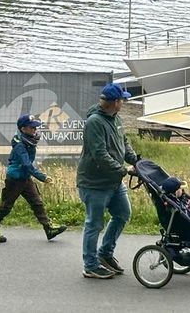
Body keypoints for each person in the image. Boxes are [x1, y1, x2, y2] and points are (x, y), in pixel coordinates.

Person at [76, 82, 139, 279]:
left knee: (122, 214)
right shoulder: (94, 122)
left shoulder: (115, 118)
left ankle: (105, 253)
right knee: (94, 224)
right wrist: (123, 169)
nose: (124, 103)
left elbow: (124, 142)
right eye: (123, 100)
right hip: (94, 183)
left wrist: (136, 161)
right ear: (115, 102)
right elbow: (100, 155)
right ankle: (90, 264)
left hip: (113, 181)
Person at [0, 114, 68, 244]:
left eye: (35, 127)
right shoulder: (20, 145)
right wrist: (43, 177)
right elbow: (26, 164)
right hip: (15, 179)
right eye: (32, 127)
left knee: (37, 202)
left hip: (25, 177)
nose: (35, 130)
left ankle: (49, 229)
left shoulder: (29, 140)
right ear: (23, 129)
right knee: (6, 206)